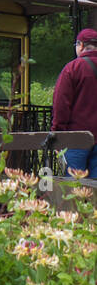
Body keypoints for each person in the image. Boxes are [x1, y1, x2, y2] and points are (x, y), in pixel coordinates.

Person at [52, 27, 97, 178]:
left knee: (73, 189)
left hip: (76, 139)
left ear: (81, 45)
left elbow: (61, 105)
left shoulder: (73, 68)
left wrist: (58, 133)